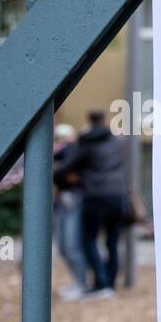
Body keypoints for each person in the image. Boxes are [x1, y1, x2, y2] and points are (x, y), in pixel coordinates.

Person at [54, 110, 130, 299]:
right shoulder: (117, 142)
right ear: (105, 120)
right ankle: (110, 283)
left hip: (95, 195)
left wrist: (61, 176)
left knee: (89, 240)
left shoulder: (87, 142)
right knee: (112, 241)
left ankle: (100, 282)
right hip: (117, 194)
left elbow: (67, 167)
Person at [51, 123, 90, 301]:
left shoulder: (75, 152)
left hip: (74, 200)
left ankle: (81, 283)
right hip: (62, 201)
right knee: (63, 247)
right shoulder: (62, 153)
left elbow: (67, 173)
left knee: (72, 246)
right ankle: (77, 281)